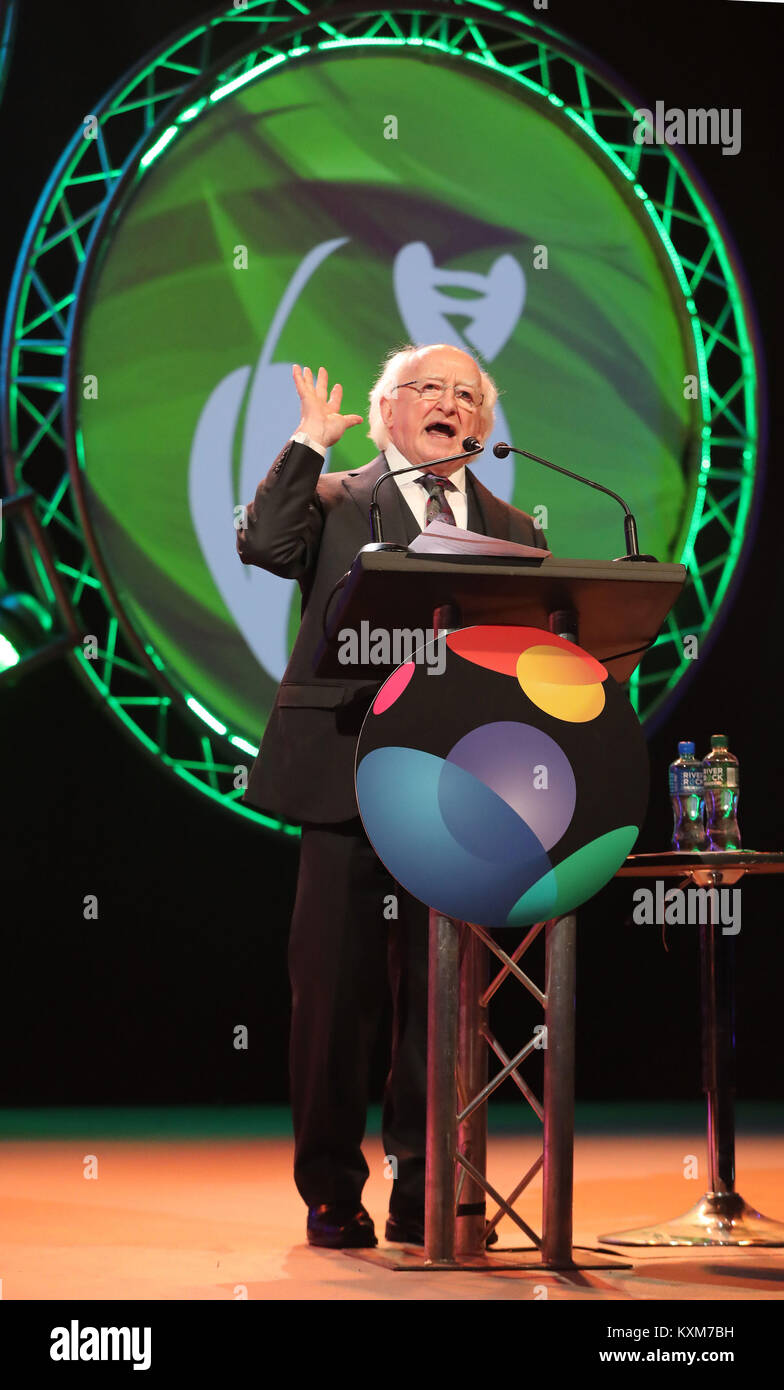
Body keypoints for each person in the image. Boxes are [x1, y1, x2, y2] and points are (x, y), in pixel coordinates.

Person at [236, 343, 547, 1248]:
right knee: (334, 996)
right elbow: (262, 543)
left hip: (456, 791)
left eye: (467, 395)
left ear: (481, 425)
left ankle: (429, 1183)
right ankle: (332, 1187)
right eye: (430, 390)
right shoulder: (335, 500)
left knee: (446, 1000)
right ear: (389, 412)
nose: (451, 404)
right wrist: (304, 442)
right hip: (343, 775)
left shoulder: (517, 529)